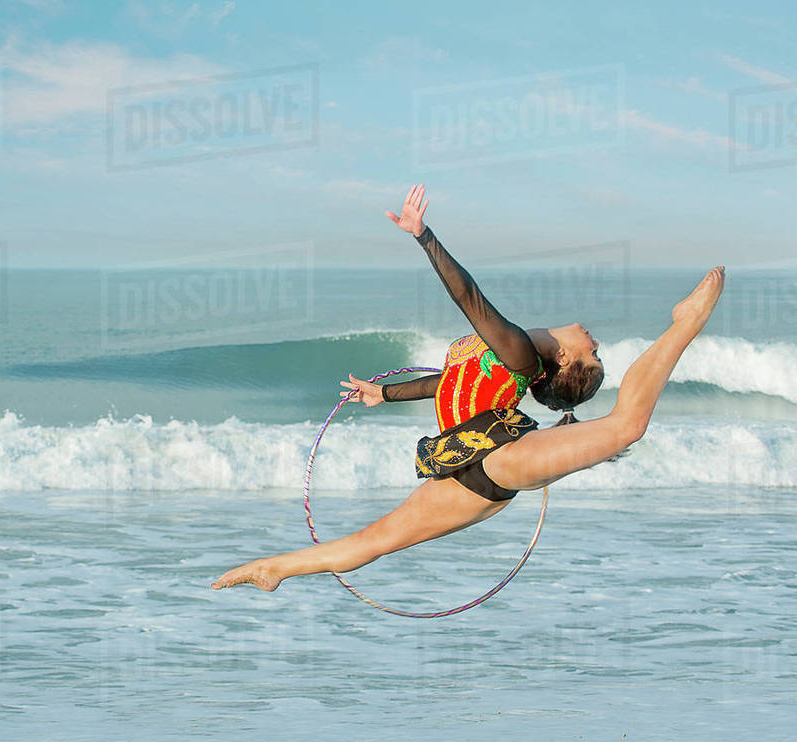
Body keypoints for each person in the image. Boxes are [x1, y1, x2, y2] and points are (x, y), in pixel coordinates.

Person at [212, 184, 725, 592]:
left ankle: (686, 321)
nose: (593, 338)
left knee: (627, 425)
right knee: (373, 541)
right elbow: (448, 383)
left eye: (592, 350)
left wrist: (424, 236)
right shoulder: (508, 362)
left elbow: (468, 298)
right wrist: (384, 394)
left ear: (564, 358)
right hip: (462, 474)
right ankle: (274, 568)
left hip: (499, 458)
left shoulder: (521, 354)